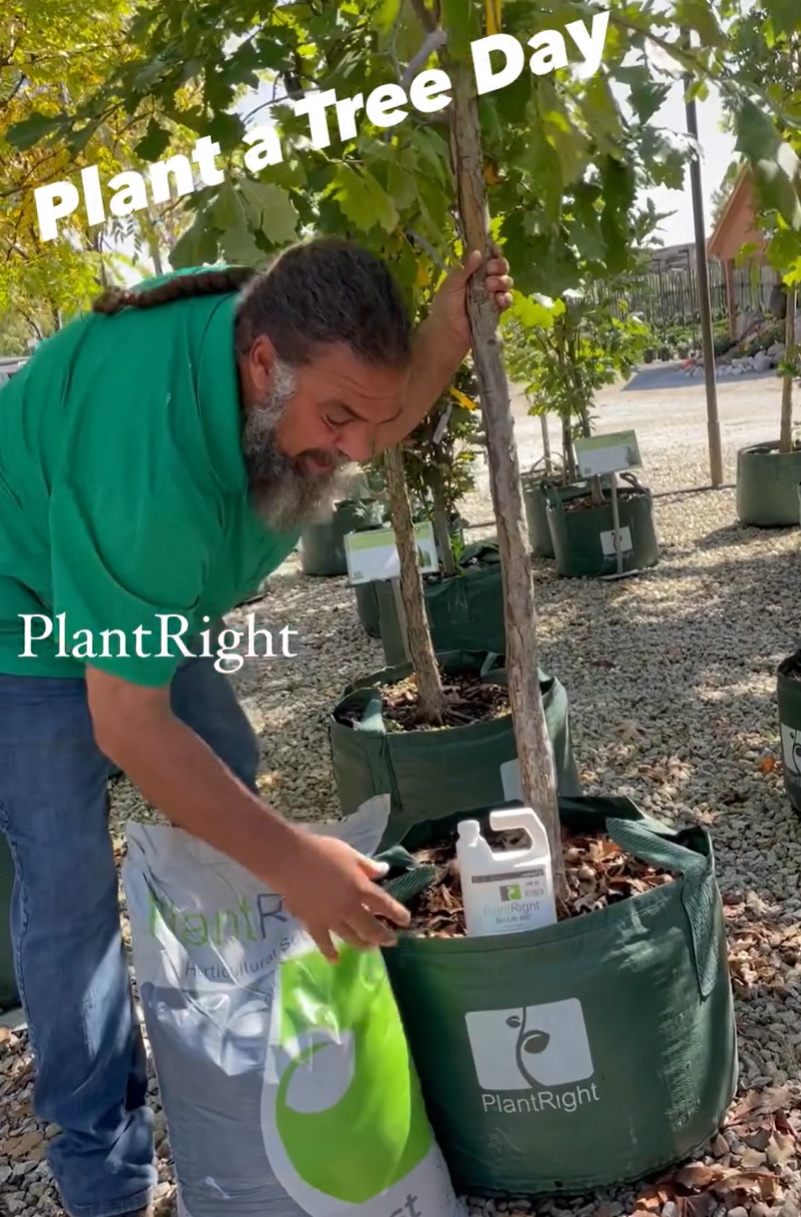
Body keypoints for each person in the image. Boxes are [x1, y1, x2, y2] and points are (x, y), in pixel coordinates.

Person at [0, 235, 513, 1217]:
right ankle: (100, 1168)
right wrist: (296, 862)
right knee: (67, 891)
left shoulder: (290, 344)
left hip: (136, 584)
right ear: (261, 365)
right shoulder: (147, 469)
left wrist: (444, 332)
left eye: (369, 416)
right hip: (16, 605)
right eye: (338, 419)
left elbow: (376, 401)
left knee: (223, 774)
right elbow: (131, 727)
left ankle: (239, 1054)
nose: (360, 447)